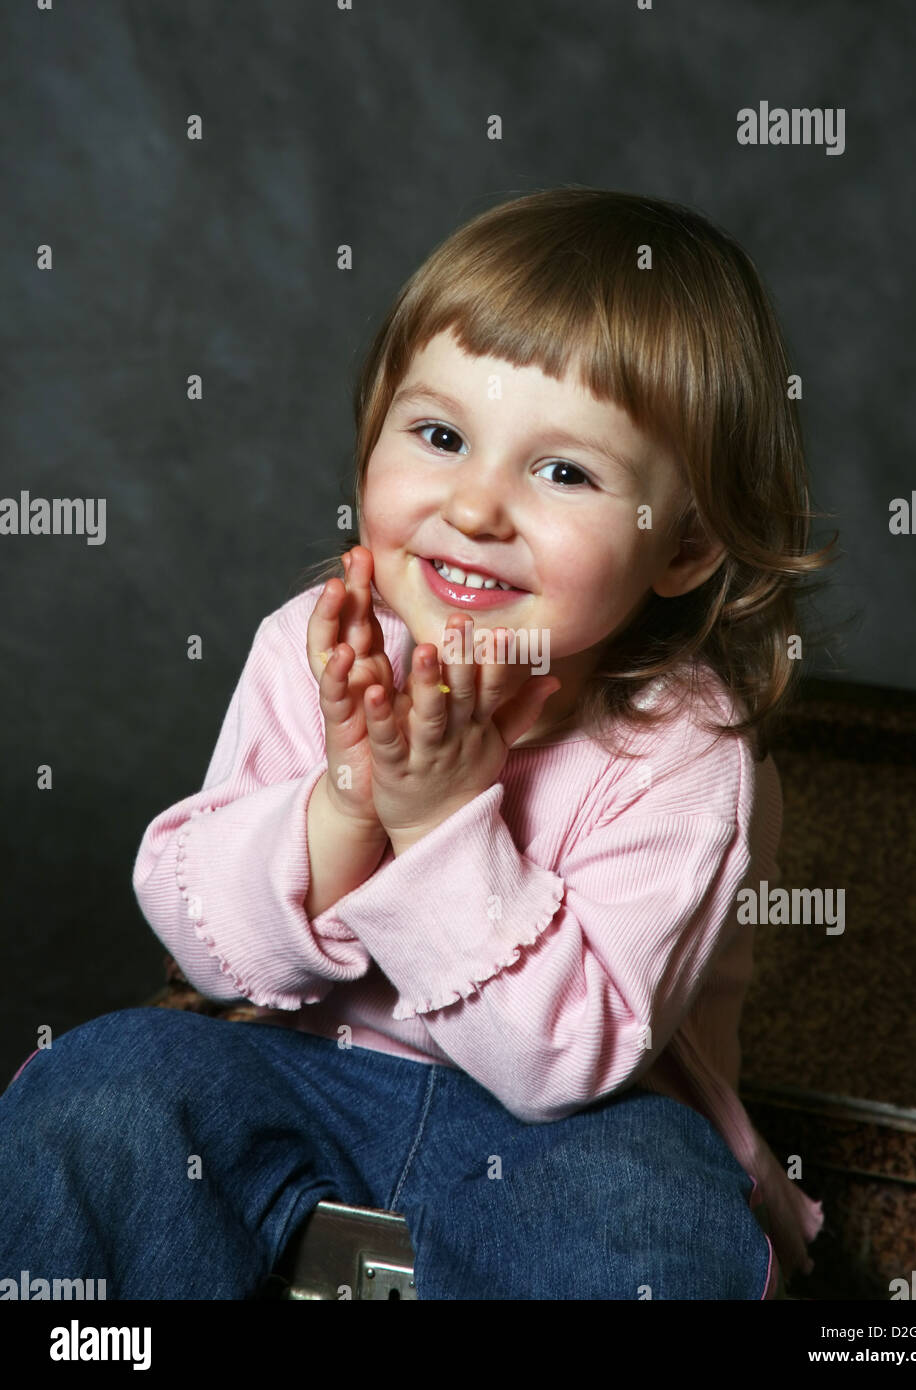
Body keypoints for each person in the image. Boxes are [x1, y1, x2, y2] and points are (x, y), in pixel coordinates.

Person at [0, 186, 836, 1300]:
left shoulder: (686, 749)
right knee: (97, 1087)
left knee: (658, 1221)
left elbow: (564, 1062)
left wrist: (440, 819)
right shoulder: (319, 645)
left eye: (565, 472)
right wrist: (350, 795)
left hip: (567, 1134)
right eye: (439, 436)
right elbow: (202, 943)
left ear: (682, 546)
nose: (476, 507)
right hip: (300, 1070)